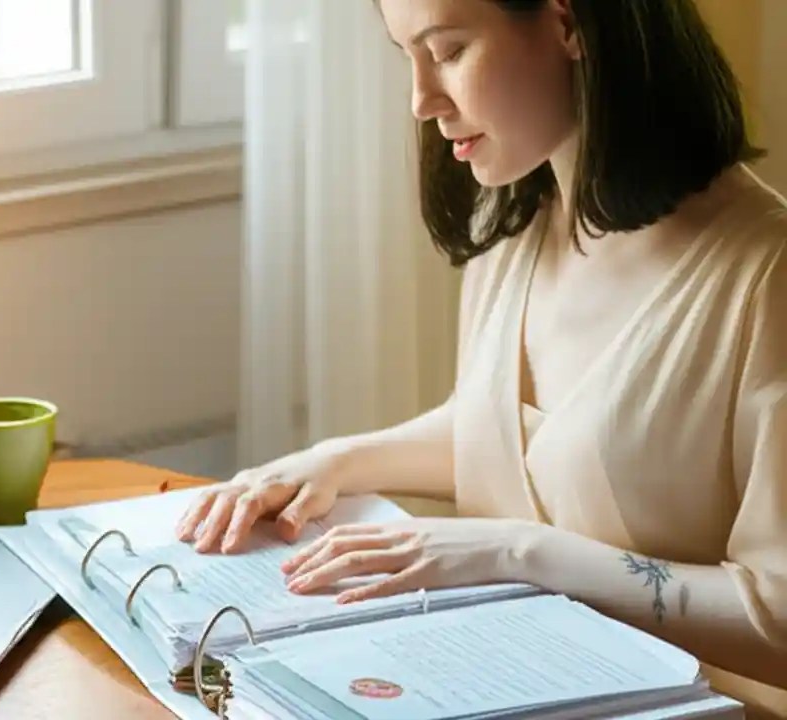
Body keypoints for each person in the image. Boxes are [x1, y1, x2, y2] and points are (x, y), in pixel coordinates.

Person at [175, 0, 787, 706]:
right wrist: (337, 460)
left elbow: (776, 617)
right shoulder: (520, 229)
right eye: (407, 56)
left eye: (449, 52)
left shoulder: (764, 279)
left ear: (570, 24)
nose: (420, 100)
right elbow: (525, 435)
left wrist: (518, 553)